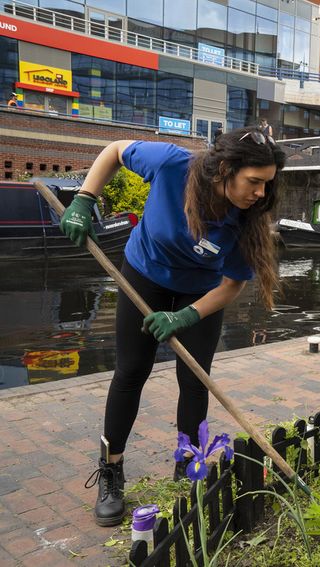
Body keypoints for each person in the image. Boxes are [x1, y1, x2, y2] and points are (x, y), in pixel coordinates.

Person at [60, 127, 285, 527]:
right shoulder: (171, 165)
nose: (261, 193)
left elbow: (232, 285)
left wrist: (186, 316)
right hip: (143, 275)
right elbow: (114, 151)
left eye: (266, 184)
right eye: (254, 182)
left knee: (195, 381)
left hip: (200, 294)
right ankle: (111, 472)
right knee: (131, 372)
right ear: (224, 170)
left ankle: (189, 468)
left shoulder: (246, 222)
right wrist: (83, 198)